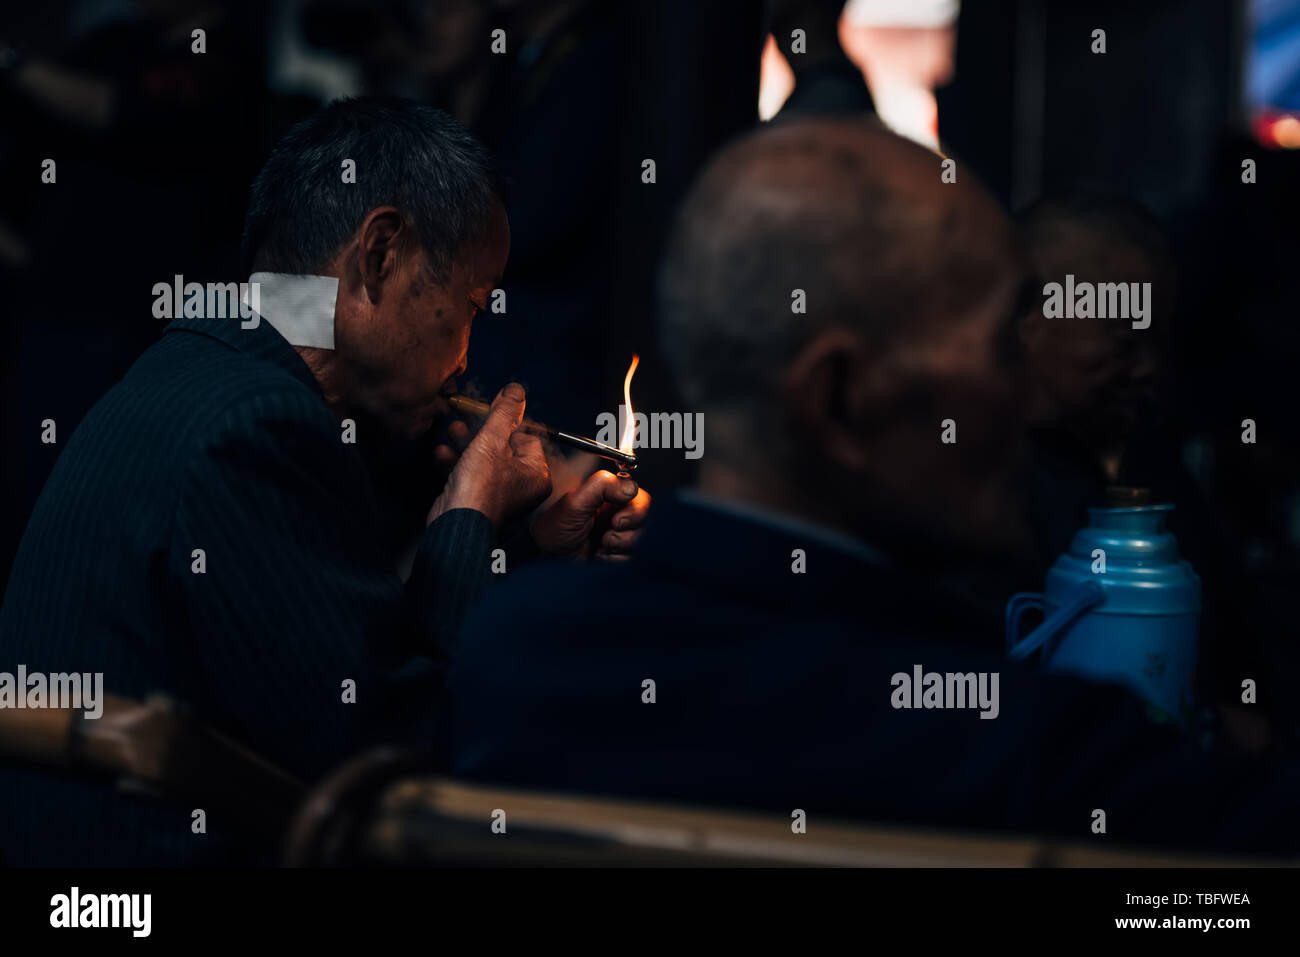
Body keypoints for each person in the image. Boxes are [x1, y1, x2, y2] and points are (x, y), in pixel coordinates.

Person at [448, 117, 1300, 855]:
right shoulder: (1033, 752)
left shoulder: (509, 664)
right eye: (1001, 346)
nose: (1021, 396)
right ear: (839, 398)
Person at [0, 97, 648, 865]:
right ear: (379, 254)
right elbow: (395, 756)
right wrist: (468, 510)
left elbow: (341, 669)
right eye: (473, 305)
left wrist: (522, 546)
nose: (468, 357)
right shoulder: (257, 426)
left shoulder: (202, 358)